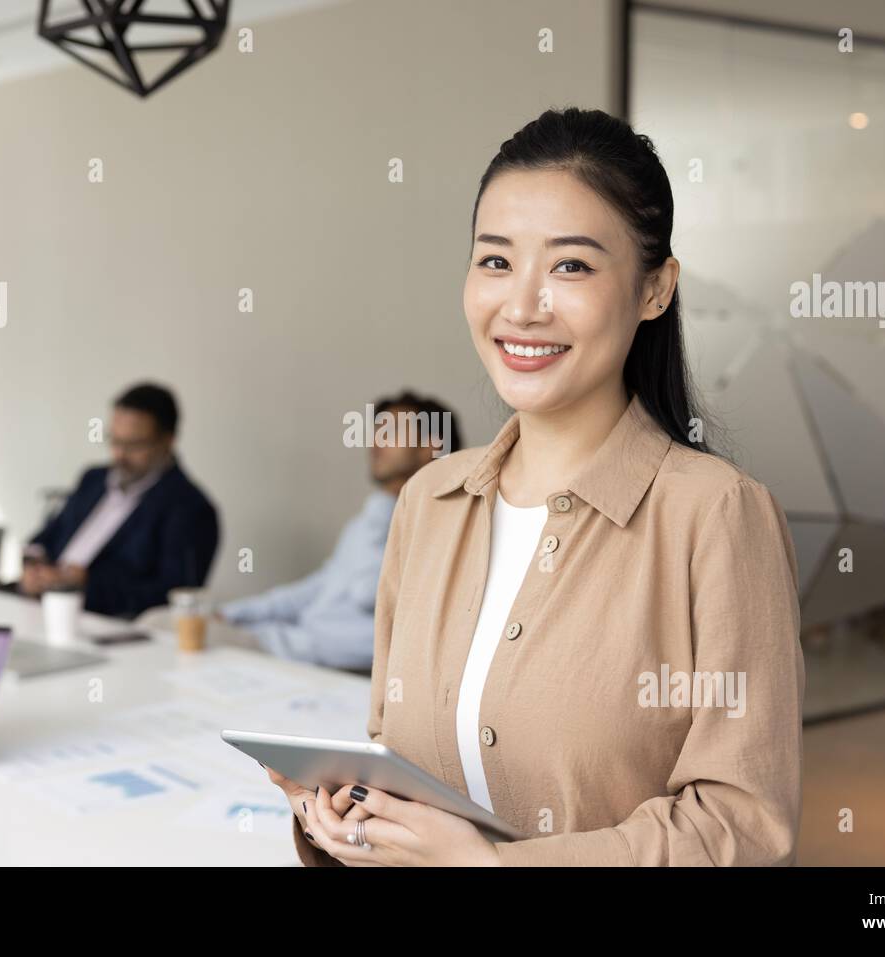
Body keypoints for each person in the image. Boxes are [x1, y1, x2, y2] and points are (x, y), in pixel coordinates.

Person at [268, 108, 805, 866]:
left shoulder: (716, 515)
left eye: (571, 266)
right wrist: (345, 820)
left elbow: (743, 827)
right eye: (495, 262)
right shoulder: (428, 502)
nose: (521, 306)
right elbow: (395, 757)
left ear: (656, 289)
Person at [215, 392, 461, 670]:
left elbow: (366, 592)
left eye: (391, 432)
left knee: (180, 634)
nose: (375, 443)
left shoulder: (442, 528)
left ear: (431, 446)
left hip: (328, 669)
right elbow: (320, 585)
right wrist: (234, 614)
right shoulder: (367, 524)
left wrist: (383, 504)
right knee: (175, 622)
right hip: (291, 646)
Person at [20, 382, 219, 619]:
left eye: (134, 444)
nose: (120, 454)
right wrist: (34, 565)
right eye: (114, 440)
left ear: (168, 440)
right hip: (39, 605)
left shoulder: (189, 508)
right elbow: (45, 537)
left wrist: (84, 584)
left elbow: (174, 596)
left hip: (101, 622)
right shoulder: (93, 479)